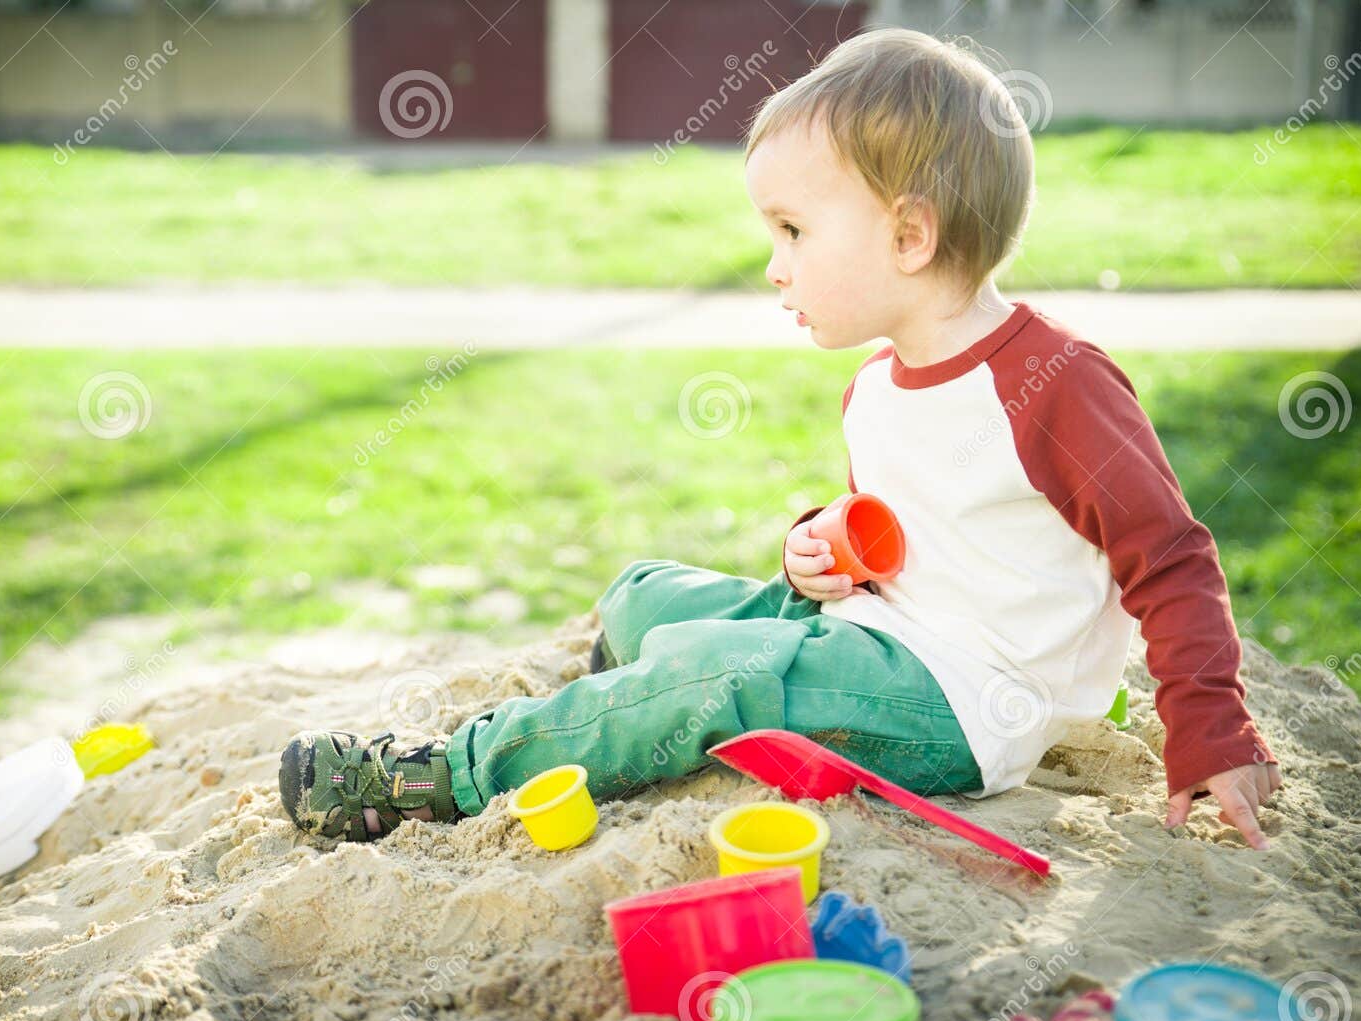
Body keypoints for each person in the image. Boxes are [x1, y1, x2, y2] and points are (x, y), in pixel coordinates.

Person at [277, 28, 1281, 848]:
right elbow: (893, 539)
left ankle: (438, 777)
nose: (772, 266)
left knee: (717, 677)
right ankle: (632, 697)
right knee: (640, 592)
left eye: (793, 232)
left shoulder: (1055, 384)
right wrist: (820, 547)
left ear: (908, 236)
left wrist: (1210, 733)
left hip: (972, 700)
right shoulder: (878, 383)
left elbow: (1172, 558)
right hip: (881, 633)